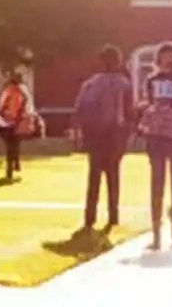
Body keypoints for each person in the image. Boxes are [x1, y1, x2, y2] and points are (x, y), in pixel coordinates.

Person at [137, 41, 172, 250]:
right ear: (158, 59)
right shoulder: (152, 80)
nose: (168, 62)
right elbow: (148, 102)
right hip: (156, 136)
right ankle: (156, 233)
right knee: (157, 183)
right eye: (164, 57)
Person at [74, 44, 135, 232]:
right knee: (113, 175)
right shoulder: (124, 83)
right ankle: (113, 214)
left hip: (95, 134)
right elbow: (129, 111)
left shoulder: (91, 83)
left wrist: (80, 131)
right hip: (115, 133)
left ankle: (90, 216)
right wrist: (129, 133)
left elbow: (79, 110)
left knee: (94, 176)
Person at [0, 70, 34, 182]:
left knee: (10, 147)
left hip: (9, 122)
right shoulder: (22, 91)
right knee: (14, 145)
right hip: (16, 122)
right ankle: (15, 164)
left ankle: (11, 169)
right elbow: (27, 104)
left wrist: (1, 114)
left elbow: (2, 106)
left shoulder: (9, 90)